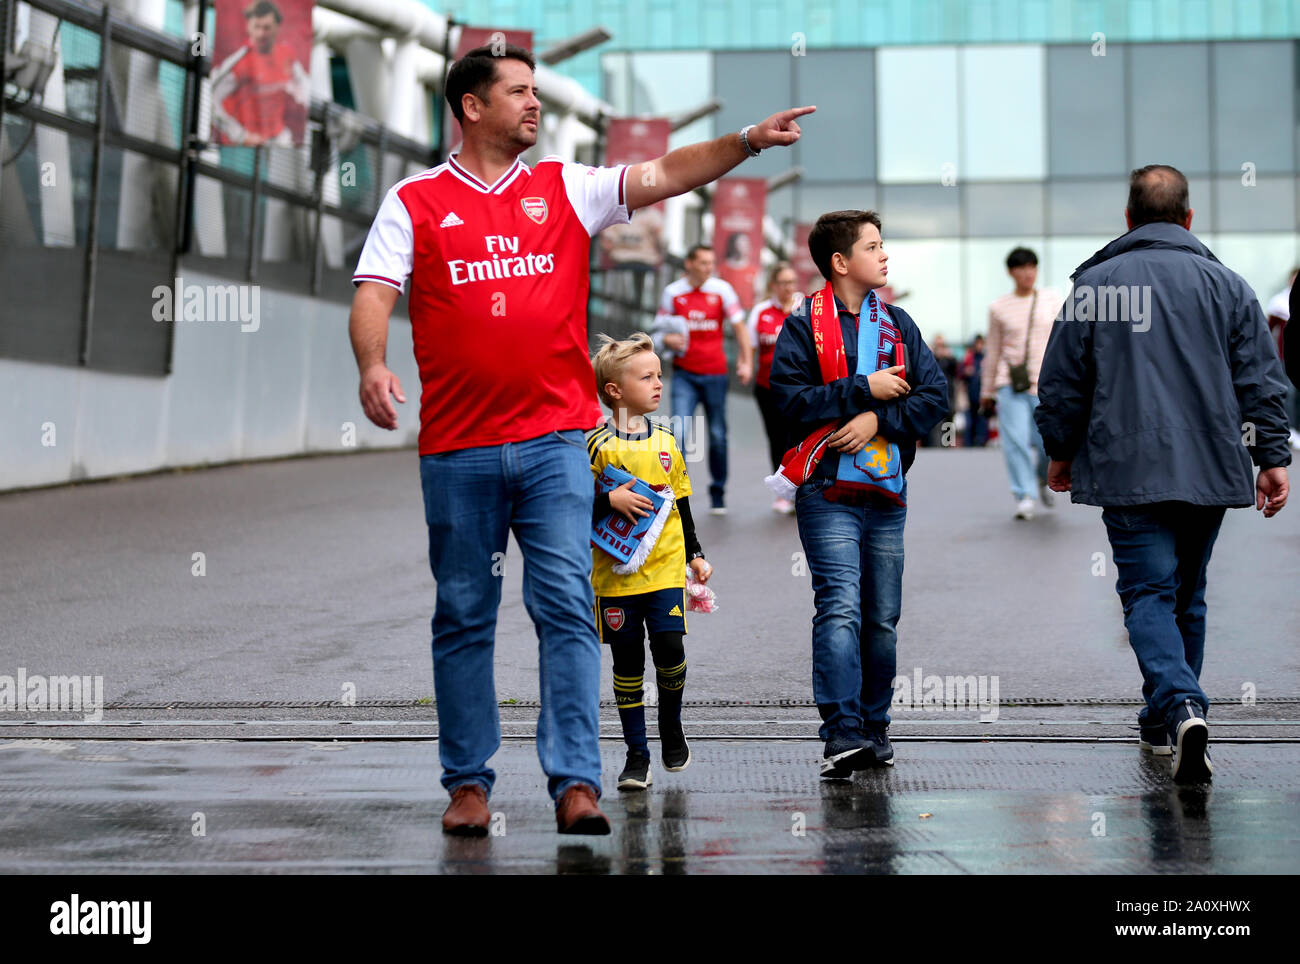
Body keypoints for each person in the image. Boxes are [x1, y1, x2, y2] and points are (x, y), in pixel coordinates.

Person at [348, 41, 813, 835]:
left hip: (557, 442)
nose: (535, 104)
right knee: (462, 614)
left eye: (536, 91)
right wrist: (373, 364)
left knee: (566, 605)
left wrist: (743, 142)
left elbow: (665, 173)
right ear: (471, 106)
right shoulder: (414, 200)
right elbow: (374, 289)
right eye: (519, 92)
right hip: (457, 448)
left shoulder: (568, 187)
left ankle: (575, 783)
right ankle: (467, 785)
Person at [1035, 164, 1291, 784]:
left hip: (1127, 467)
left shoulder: (1094, 286)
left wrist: (1060, 450)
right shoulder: (1228, 286)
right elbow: (1260, 379)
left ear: (1127, 219)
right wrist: (1273, 457)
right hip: (1209, 464)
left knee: (1147, 594)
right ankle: (1165, 720)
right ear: (1189, 218)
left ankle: (1178, 705)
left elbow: (1063, 383)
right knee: (1188, 596)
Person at [768, 210, 948, 777]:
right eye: (873, 247)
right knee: (841, 607)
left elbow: (935, 399)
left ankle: (875, 727)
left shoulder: (899, 323)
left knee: (882, 617)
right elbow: (790, 404)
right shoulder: (801, 326)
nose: (885, 255)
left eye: (883, 245)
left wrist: (878, 418)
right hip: (826, 491)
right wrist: (860, 388)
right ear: (841, 263)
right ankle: (841, 732)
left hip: (886, 491)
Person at [587, 333, 712, 791]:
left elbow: (680, 502)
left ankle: (672, 727)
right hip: (616, 576)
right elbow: (574, 499)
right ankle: (636, 753)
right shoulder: (596, 445)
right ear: (615, 390)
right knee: (626, 661)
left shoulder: (667, 440)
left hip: (665, 568)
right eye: (647, 377)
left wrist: (696, 555)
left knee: (670, 649)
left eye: (660, 375)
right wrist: (607, 497)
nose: (659, 384)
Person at [652, 245, 754, 514]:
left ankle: (718, 493)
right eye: (703, 263)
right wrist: (667, 340)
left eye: (711, 263)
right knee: (680, 433)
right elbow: (657, 332)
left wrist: (746, 361)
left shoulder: (722, 290)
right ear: (689, 264)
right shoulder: (673, 293)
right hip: (684, 374)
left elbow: (740, 328)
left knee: (718, 435)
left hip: (716, 375)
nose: (708, 268)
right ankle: (677, 495)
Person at [980, 247, 1062, 519]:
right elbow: (992, 350)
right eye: (1022, 268)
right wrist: (988, 389)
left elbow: (1065, 343)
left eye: (1032, 267)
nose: (1028, 273)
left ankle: (1042, 478)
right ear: (1011, 272)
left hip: (1047, 383)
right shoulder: (999, 307)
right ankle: (1024, 495)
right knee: (1014, 441)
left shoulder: (1052, 301)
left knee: (1046, 444)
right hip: (1010, 383)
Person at [211, 0, 310, 147]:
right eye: (257, 27)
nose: (261, 34)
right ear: (248, 27)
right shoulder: (238, 63)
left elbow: (304, 87)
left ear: (277, 27)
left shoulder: (287, 55)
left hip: (278, 140)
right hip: (241, 146)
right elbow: (211, 99)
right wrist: (240, 135)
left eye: (267, 28)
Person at [748, 261, 802, 512]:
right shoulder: (761, 311)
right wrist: (746, 365)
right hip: (766, 387)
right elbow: (750, 345)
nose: (789, 287)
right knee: (777, 438)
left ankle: (801, 489)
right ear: (773, 285)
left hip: (798, 388)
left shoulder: (803, 308)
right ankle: (783, 493)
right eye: (784, 283)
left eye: (792, 282)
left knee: (797, 437)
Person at [1265, 268, 1300, 448]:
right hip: (1284, 356)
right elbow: (1268, 330)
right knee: (1289, 393)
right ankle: (1290, 428)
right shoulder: (1279, 303)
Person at [960, 334, 988, 447]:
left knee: (982, 418)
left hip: (983, 394)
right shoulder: (969, 358)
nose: (980, 346)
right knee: (970, 418)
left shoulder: (985, 358)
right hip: (971, 394)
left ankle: (981, 441)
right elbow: (960, 373)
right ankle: (969, 442)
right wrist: (966, 372)